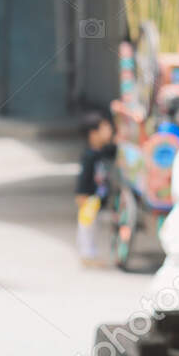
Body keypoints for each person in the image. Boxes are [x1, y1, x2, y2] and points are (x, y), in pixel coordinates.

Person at [76, 111, 117, 265]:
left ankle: (90, 254)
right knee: (87, 226)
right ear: (93, 134)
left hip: (97, 199)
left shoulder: (102, 151)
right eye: (104, 128)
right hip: (89, 198)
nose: (109, 131)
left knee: (93, 226)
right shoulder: (89, 156)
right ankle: (87, 255)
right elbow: (83, 178)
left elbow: (113, 149)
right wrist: (81, 194)